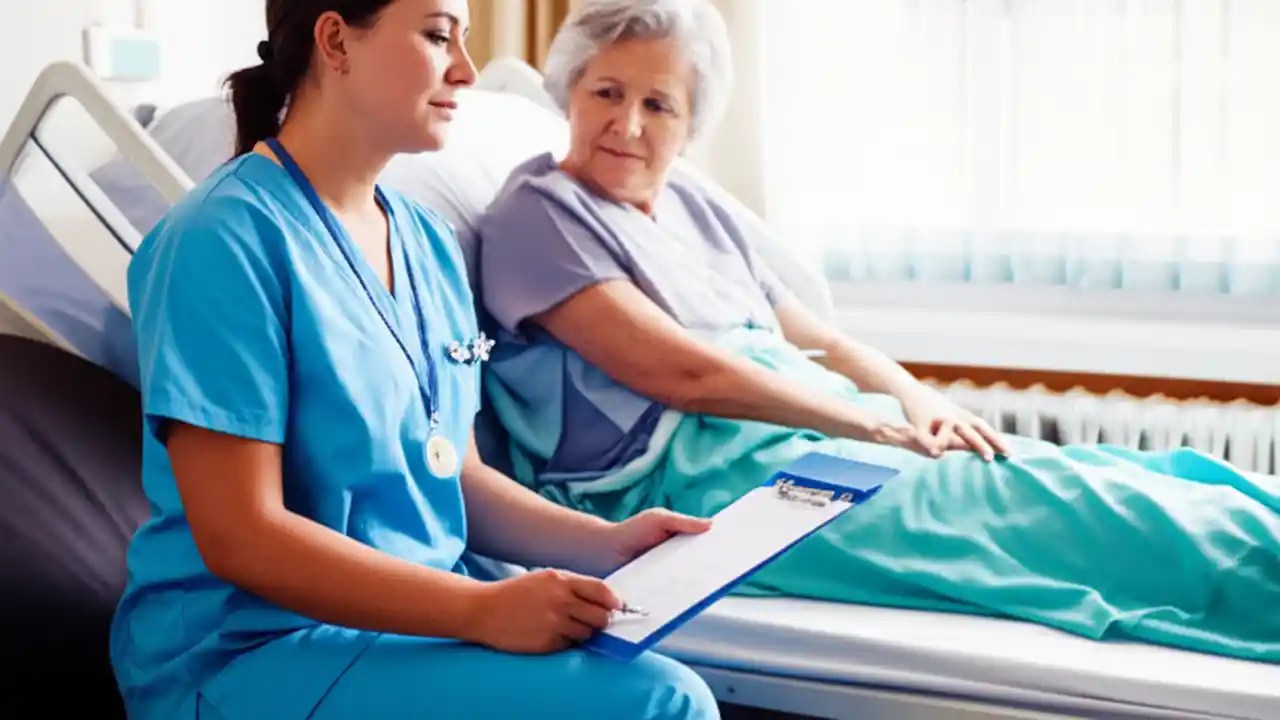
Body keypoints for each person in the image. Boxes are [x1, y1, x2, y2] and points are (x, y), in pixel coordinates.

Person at [474, 0, 1280, 663]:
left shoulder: (694, 204)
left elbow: (818, 339)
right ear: (569, 89)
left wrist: (915, 400)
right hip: (703, 479)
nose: (629, 124)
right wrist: (863, 423)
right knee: (1039, 513)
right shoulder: (538, 215)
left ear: (692, 122)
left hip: (801, 422)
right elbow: (679, 373)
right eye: (606, 93)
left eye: (660, 104)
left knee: (1083, 470)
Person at [108, 1, 723, 718]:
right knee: (659, 703)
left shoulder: (427, 243)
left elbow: (453, 476)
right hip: (253, 649)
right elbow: (242, 536)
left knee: (643, 664)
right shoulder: (221, 240)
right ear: (335, 40)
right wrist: (480, 609)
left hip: (410, 624)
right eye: (437, 36)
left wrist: (610, 544)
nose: (464, 69)